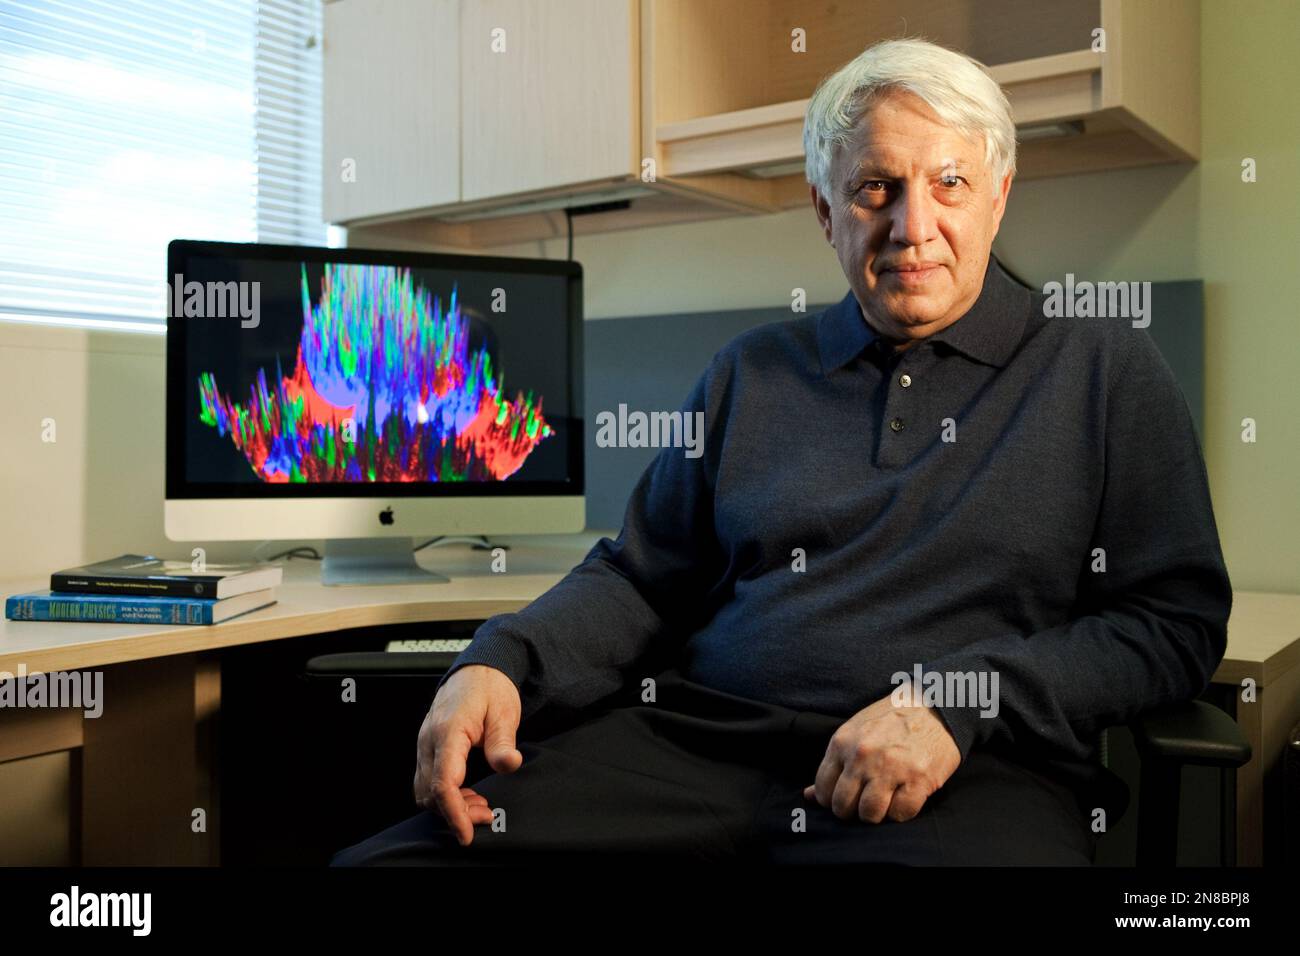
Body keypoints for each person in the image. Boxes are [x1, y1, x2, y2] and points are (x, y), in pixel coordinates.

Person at [332, 36, 1231, 866]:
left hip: (964, 776)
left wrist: (960, 703)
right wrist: (501, 658)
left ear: (999, 195)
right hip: (696, 750)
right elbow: (641, 579)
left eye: (949, 183)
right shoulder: (751, 373)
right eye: (875, 187)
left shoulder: (1101, 365)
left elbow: (1172, 623)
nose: (913, 226)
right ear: (825, 212)